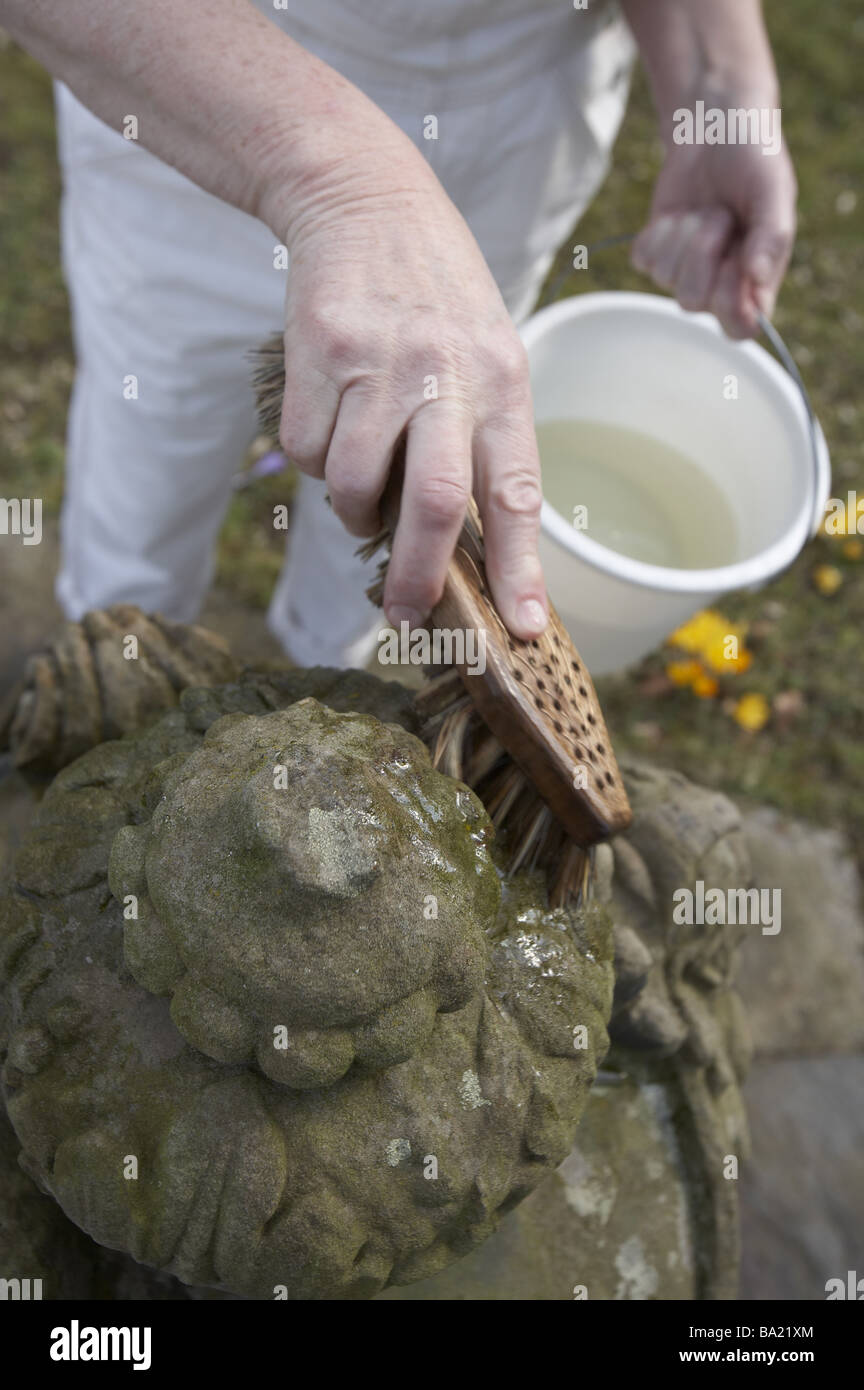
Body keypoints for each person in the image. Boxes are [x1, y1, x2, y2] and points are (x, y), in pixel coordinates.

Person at [3, 0, 796, 666]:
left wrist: (716, 81)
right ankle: (107, 678)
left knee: (409, 480)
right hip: (189, 72)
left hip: (514, 110)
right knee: (155, 432)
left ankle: (323, 676)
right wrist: (347, 185)